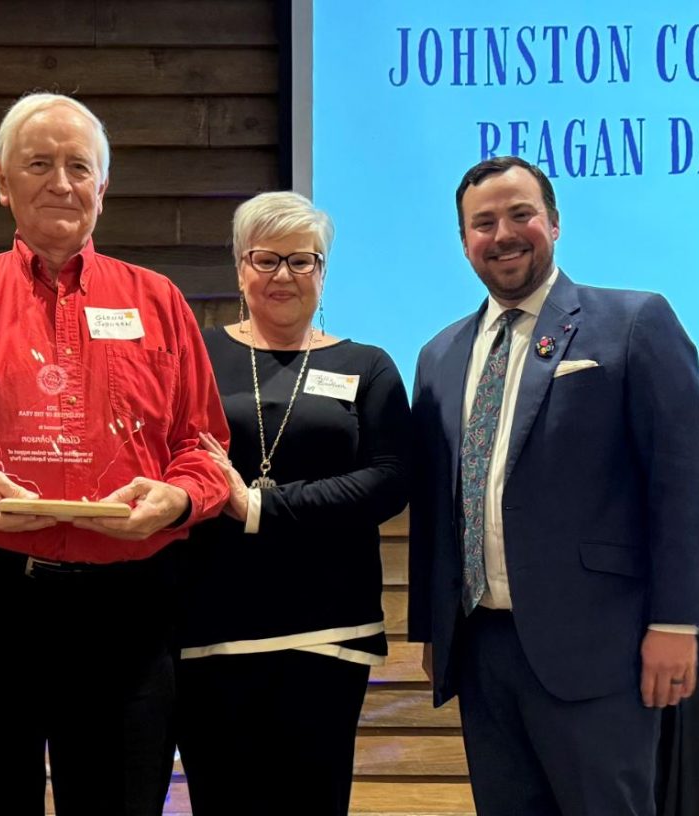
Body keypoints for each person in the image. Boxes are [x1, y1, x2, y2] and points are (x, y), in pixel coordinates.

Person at [0, 92, 229, 816]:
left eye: (79, 166)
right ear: (1, 180)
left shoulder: (160, 302)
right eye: (39, 163)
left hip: (127, 608)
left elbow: (205, 449)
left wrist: (178, 498)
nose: (61, 182)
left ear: (103, 187)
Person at [408, 156, 699, 816]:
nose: (504, 234)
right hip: (482, 652)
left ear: (554, 222)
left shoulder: (633, 322)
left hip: (601, 649)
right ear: (464, 241)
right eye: (482, 223)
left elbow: (681, 483)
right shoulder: (439, 356)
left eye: (521, 215)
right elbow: (439, 507)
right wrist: (433, 632)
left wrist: (676, 623)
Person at [173, 191, 411, 815]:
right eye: (266, 259)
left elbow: (389, 479)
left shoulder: (368, 366)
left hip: (330, 628)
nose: (284, 275)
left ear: (323, 272)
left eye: (302, 261)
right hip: (211, 629)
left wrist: (257, 507)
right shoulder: (196, 355)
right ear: (239, 268)